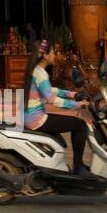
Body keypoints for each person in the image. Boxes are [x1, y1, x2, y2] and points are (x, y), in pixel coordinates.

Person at [23, 41, 92, 174]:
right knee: (80, 125)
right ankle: (78, 167)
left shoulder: (37, 71)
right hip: (37, 120)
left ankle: (77, 165)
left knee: (75, 123)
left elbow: (50, 90)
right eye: (54, 52)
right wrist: (78, 105)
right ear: (45, 55)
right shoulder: (40, 74)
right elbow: (51, 99)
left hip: (32, 117)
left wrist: (72, 94)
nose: (56, 55)